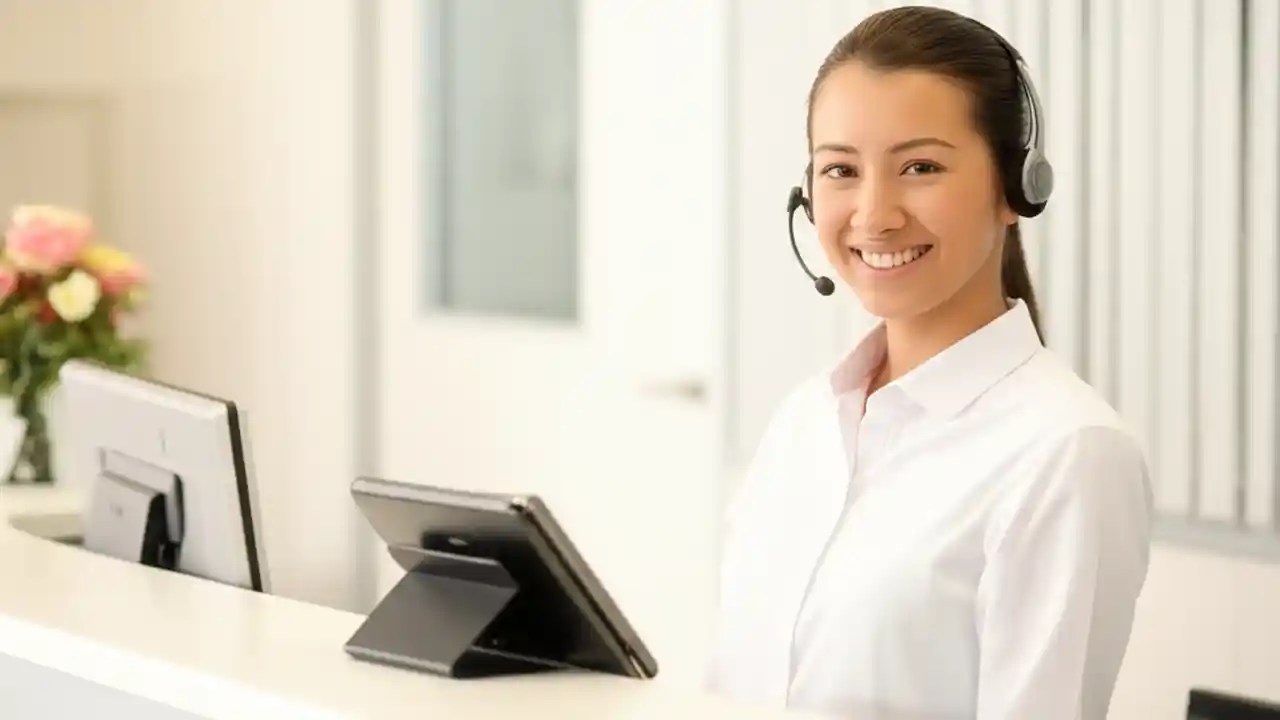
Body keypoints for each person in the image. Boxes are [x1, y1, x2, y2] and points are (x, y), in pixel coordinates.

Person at [705, 6, 1153, 719]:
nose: (874, 213)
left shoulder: (1068, 454)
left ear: (1016, 186)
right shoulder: (805, 422)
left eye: (920, 166)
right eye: (841, 170)